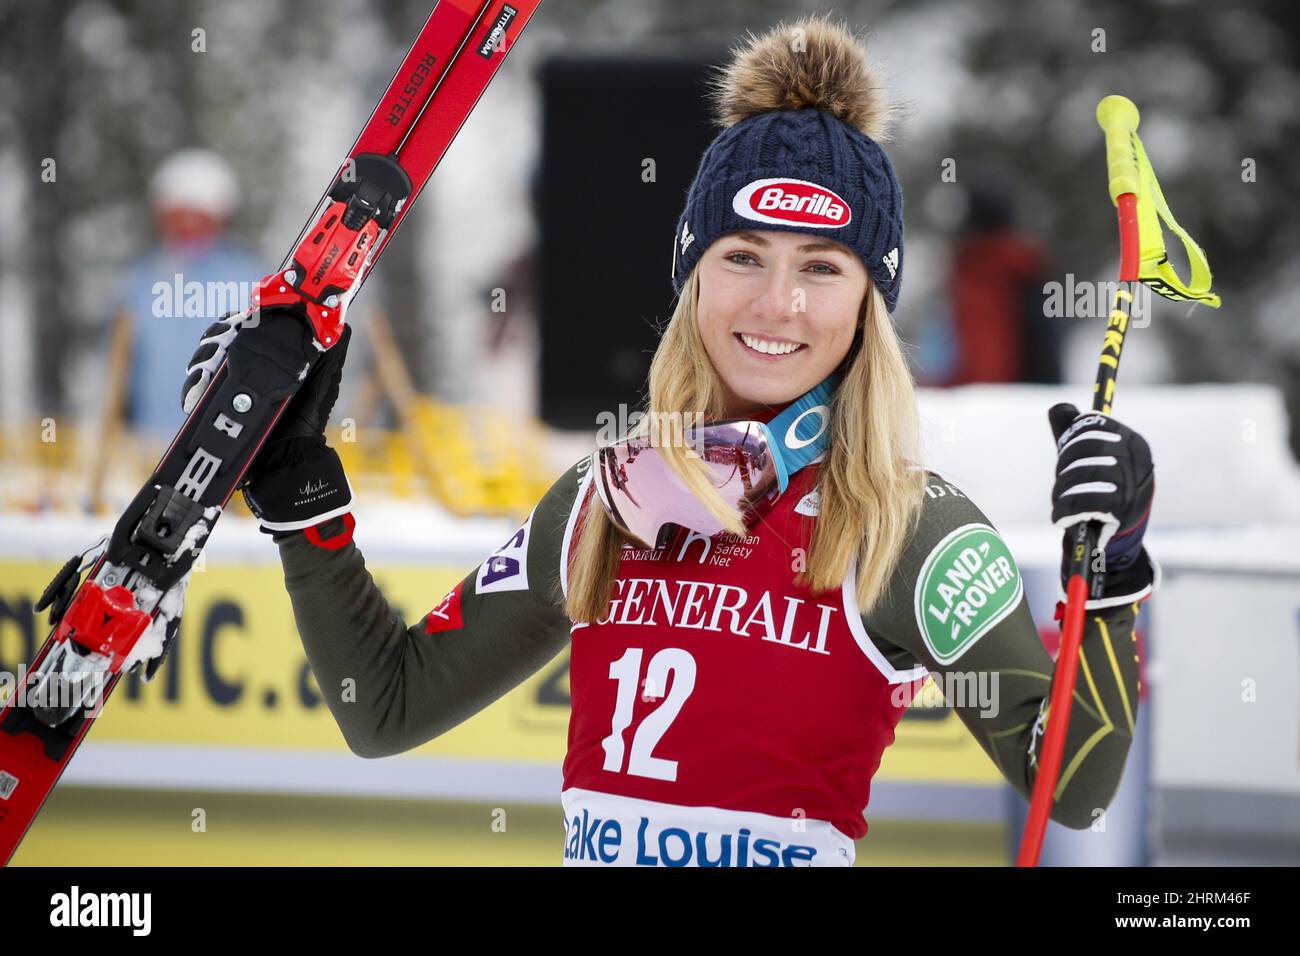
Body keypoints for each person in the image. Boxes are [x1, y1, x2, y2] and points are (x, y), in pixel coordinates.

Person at [185, 16, 1158, 867]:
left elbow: (1067, 784)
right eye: (741, 257)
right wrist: (305, 504)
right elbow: (383, 705)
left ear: (871, 300)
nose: (777, 304)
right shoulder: (604, 500)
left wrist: (1110, 573)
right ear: (693, 275)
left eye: (821, 267)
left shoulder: (907, 523)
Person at [118, 149, 265, 435]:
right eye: (177, 216)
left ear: (221, 218)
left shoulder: (249, 278)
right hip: (148, 439)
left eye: (199, 217)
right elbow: (120, 366)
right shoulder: (140, 280)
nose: (187, 226)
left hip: (224, 439)